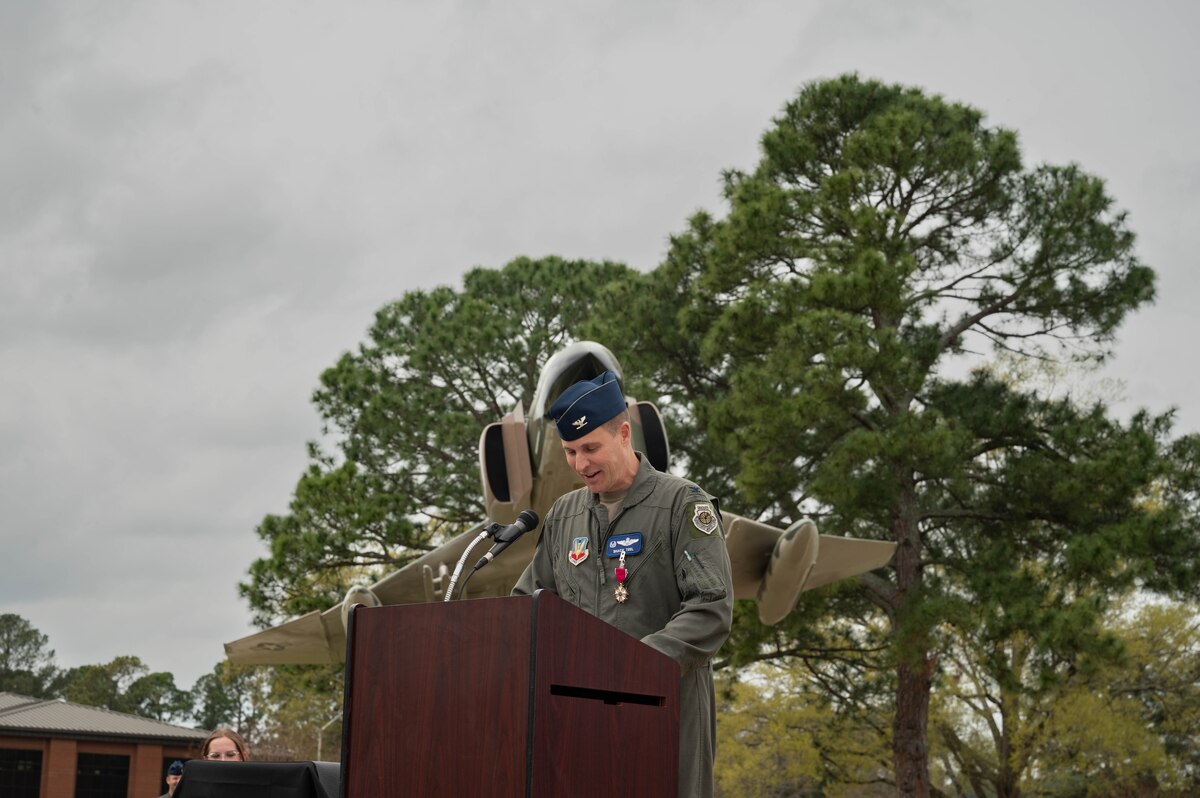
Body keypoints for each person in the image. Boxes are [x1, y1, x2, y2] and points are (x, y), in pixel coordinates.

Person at [512, 370, 734, 798]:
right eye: (570, 451)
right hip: (580, 719)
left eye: (591, 448)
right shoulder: (563, 515)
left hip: (666, 714)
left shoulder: (682, 503)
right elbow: (530, 606)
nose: (581, 464)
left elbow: (710, 608)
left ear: (624, 433)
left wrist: (632, 666)